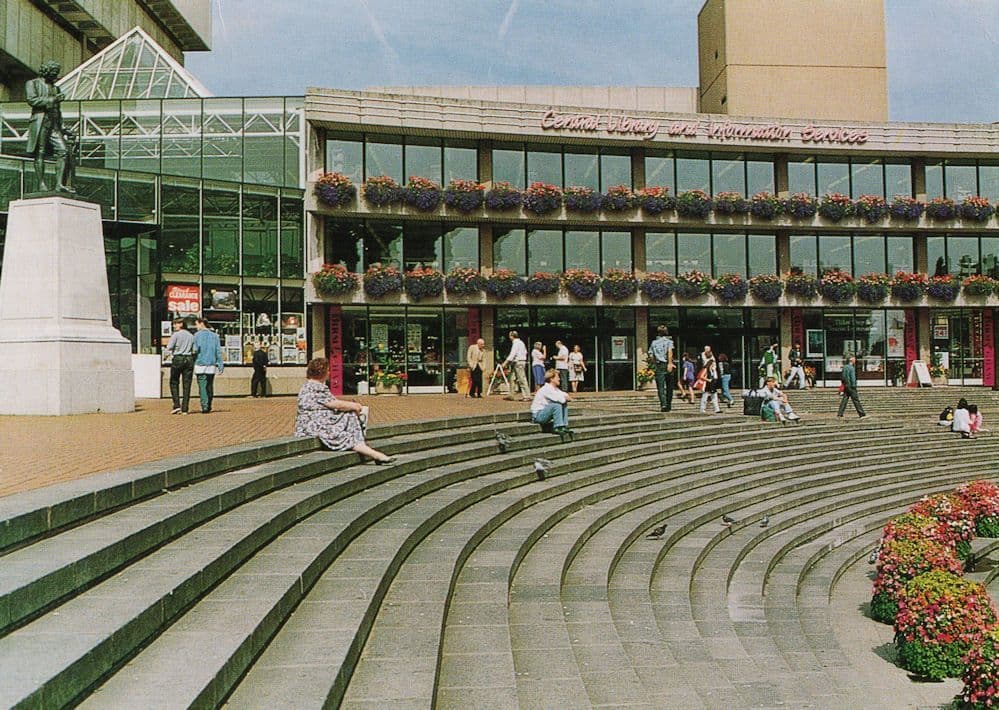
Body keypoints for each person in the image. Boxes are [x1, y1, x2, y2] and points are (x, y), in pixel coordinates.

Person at [295, 357, 394, 463]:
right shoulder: (315, 387)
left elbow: (330, 402)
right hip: (316, 424)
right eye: (328, 370)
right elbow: (334, 403)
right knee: (351, 413)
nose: (329, 373)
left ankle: (368, 449)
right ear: (322, 372)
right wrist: (355, 406)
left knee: (350, 413)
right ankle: (372, 452)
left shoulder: (309, 385)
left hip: (312, 422)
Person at [26, 60, 76, 193]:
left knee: (63, 151)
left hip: (54, 125)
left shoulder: (55, 87)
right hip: (40, 122)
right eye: (54, 72)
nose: (55, 75)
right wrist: (53, 100)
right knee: (40, 152)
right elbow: (32, 100)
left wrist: (63, 128)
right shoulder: (33, 83)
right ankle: (41, 184)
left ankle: (59, 184)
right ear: (46, 71)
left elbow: (57, 111)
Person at [193, 318, 224, 414]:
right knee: (210, 385)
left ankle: (205, 405)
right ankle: (209, 404)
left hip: (200, 363)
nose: (196, 327)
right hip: (211, 363)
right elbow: (218, 351)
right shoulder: (215, 336)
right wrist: (220, 364)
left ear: (201, 324)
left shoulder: (197, 336)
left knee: (202, 385)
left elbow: (195, 349)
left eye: (197, 324)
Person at [165, 317, 195, 414]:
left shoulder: (176, 335)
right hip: (189, 358)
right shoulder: (191, 335)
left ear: (181, 324)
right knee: (187, 384)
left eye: (175, 324)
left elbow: (169, 347)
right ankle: (185, 408)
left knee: (174, 381)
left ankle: (176, 404)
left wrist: (167, 354)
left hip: (178, 358)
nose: (174, 326)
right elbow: (195, 349)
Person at [531, 369, 572, 435]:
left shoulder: (555, 389)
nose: (559, 379)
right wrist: (565, 398)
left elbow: (564, 394)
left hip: (544, 413)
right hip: (538, 416)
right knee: (556, 405)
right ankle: (558, 426)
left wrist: (566, 397)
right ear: (551, 379)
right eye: (557, 377)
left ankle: (564, 425)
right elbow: (559, 399)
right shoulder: (546, 389)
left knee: (564, 404)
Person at [648, 324, 676, 412]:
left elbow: (651, 355)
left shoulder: (654, 343)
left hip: (659, 365)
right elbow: (670, 352)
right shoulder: (669, 341)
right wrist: (670, 363)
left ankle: (663, 404)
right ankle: (668, 404)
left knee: (660, 386)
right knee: (669, 386)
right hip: (667, 363)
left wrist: (654, 362)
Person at [837, 354, 867, 419]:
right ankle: (862, 414)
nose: (855, 360)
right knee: (856, 400)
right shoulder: (851, 368)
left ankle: (840, 414)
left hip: (846, 385)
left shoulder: (844, 367)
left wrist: (844, 384)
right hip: (851, 386)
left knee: (845, 400)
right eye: (854, 359)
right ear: (851, 360)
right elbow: (853, 378)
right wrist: (854, 386)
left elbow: (843, 377)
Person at [503, 330, 530, 401]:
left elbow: (513, 354)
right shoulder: (521, 343)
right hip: (518, 362)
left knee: (521, 379)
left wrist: (505, 362)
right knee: (512, 378)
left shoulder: (516, 343)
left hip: (518, 362)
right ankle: (511, 394)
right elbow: (525, 352)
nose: (509, 337)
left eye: (509, 336)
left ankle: (527, 396)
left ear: (512, 336)